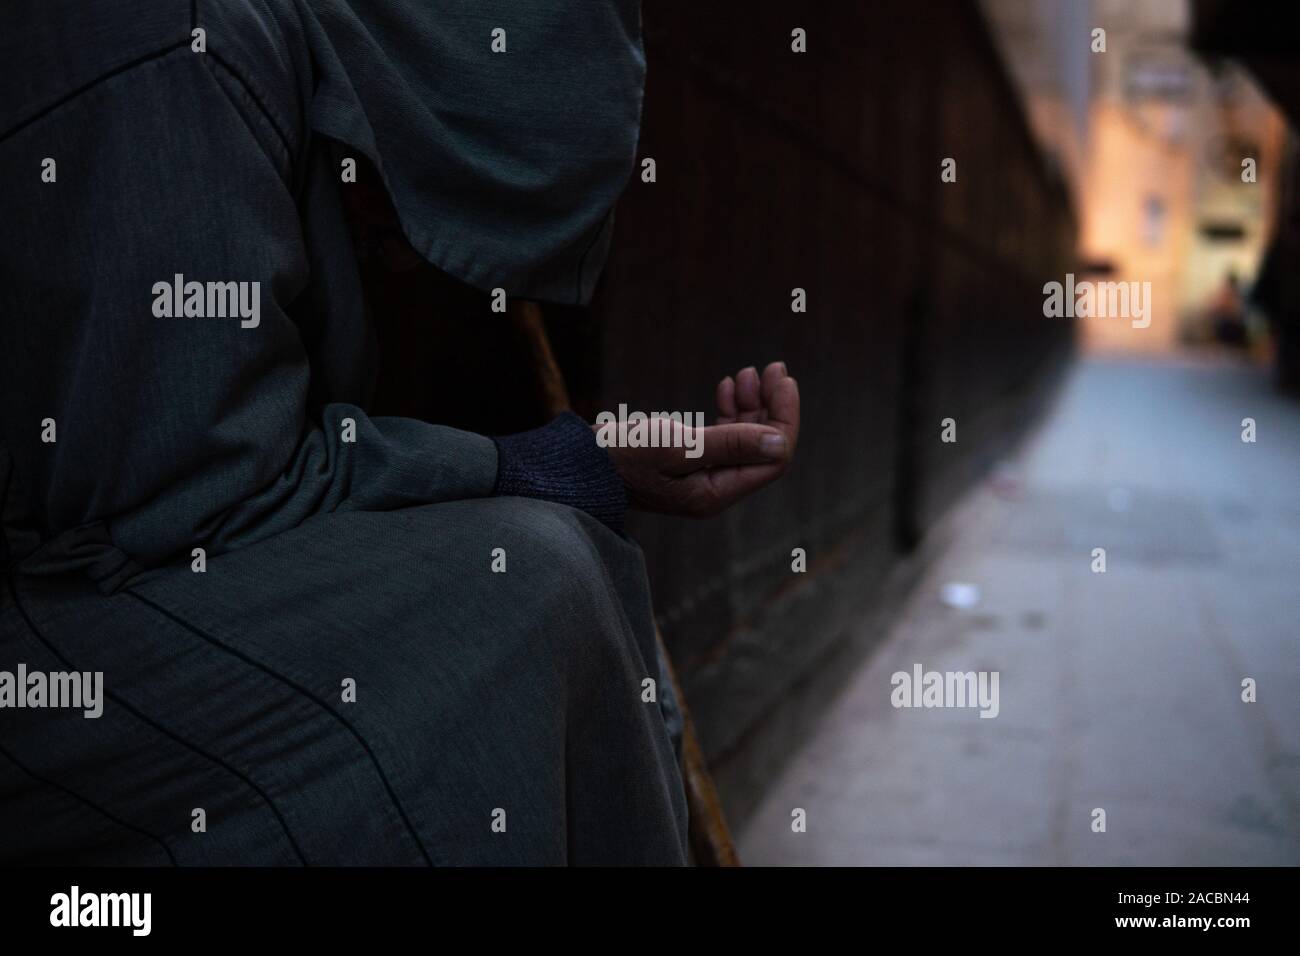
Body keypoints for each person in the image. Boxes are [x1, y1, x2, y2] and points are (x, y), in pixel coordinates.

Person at [0, 1, 799, 865]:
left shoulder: (298, 67)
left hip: (107, 564)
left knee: (560, 569)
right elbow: (186, 507)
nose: (403, 256)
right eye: (421, 212)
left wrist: (579, 468)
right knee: (525, 590)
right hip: (47, 631)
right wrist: (546, 467)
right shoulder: (179, 48)